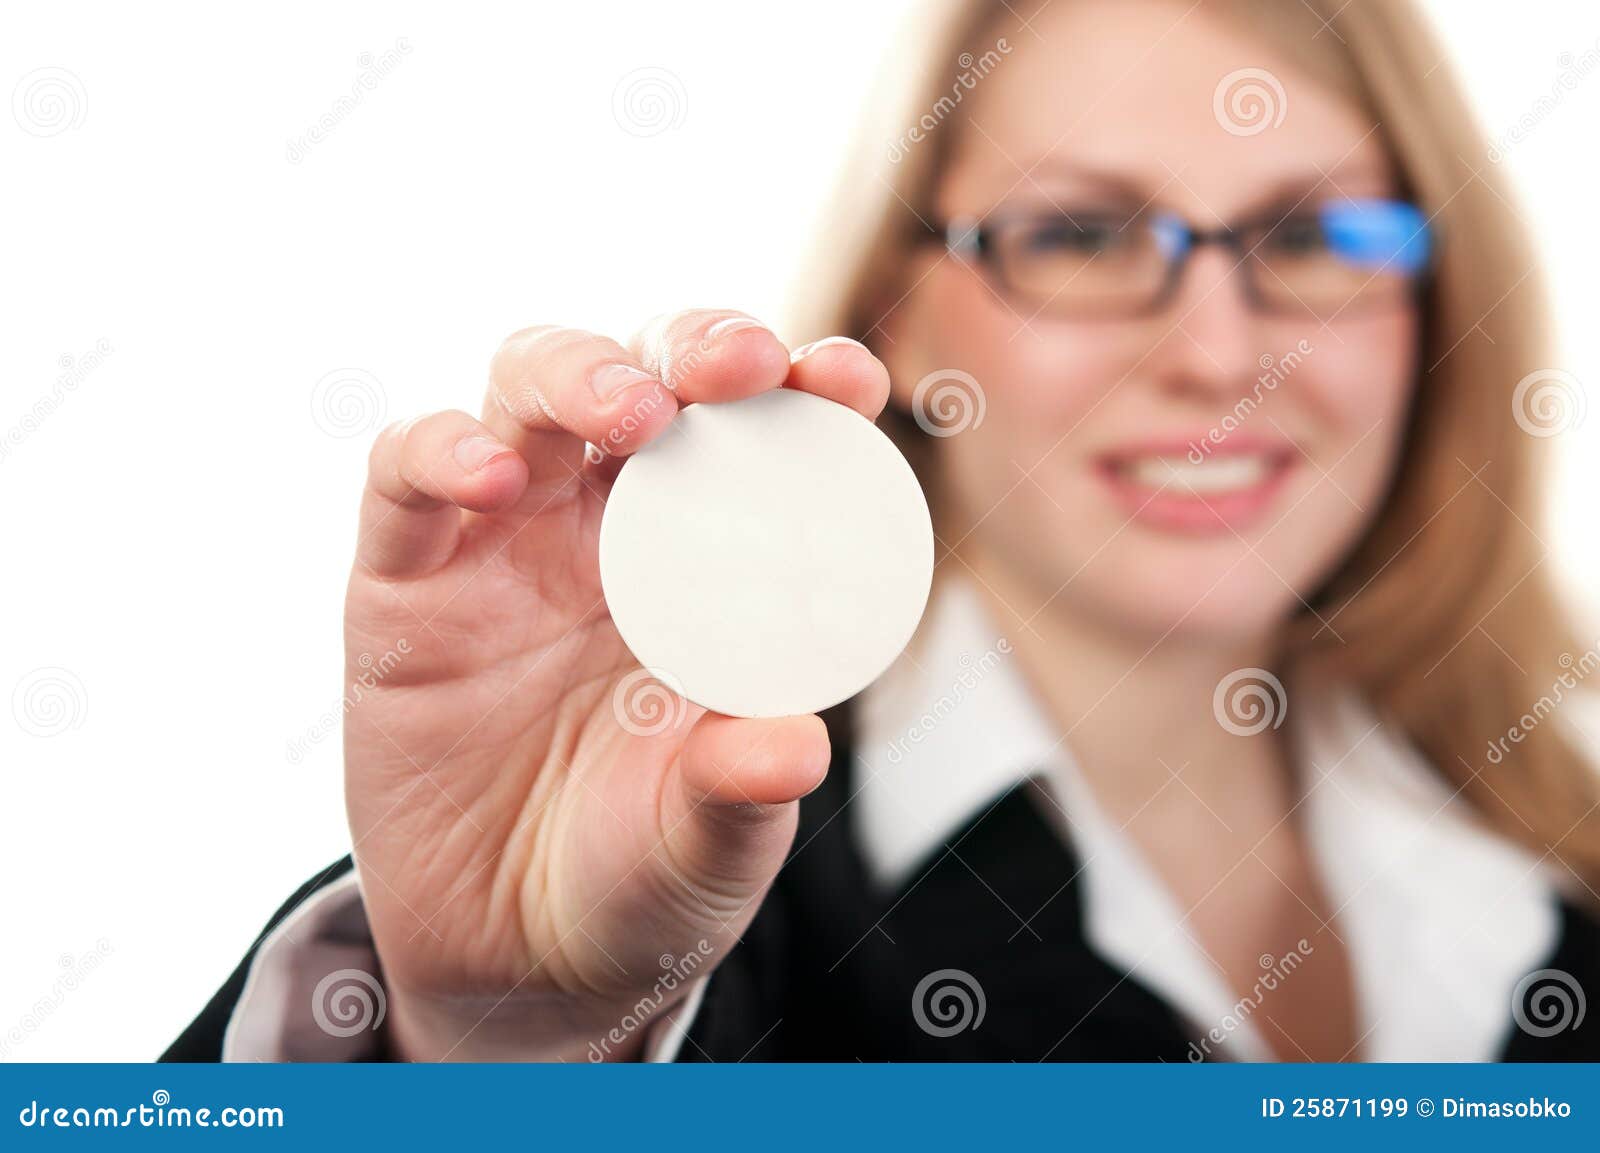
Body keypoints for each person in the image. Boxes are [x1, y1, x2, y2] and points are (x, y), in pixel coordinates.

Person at [166, 0, 1600, 1062]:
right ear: (903, 319)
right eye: (1082, 236)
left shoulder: (1558, 842)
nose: (1221, 356)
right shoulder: (681, 887)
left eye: (1312, 237)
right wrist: (490, 1048)